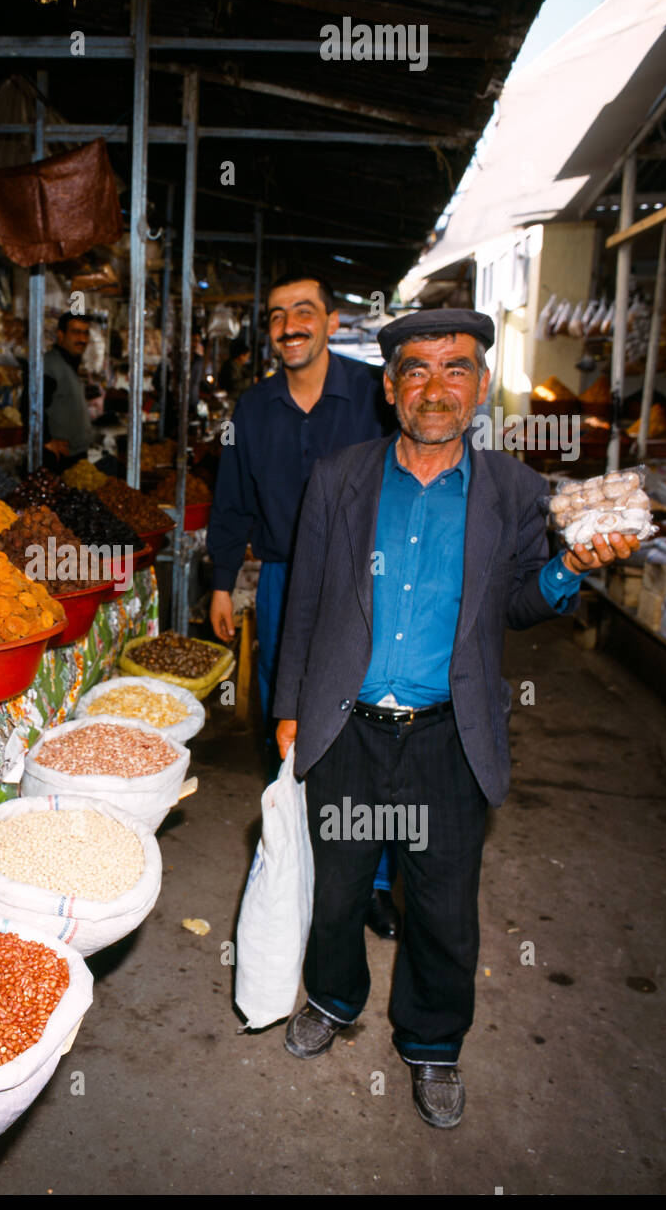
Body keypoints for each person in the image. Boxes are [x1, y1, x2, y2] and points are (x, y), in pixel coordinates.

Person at [273, 308, 639, 1128]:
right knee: (336, 890)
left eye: (456, 369)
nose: (435, 388)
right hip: (349, 728)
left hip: (447, 736)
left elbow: (514, 603)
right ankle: (332, 998)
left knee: (440, 903)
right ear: (390, 386)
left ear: (479, 385)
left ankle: (432, 1044)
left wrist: (566, 569)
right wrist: (289, 707)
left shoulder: (513, 491)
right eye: (416, 370)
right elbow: (306, 601)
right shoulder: (341, 477)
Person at [207, 272, 398, 938]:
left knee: (366, 717)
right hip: (286, 580)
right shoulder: (253, 409)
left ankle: (372, 879)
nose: (290, 325)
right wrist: (222, 580)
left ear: (330, 319)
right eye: (278, 314)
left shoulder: (375, 396)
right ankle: (293, 850)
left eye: (304, 311)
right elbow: (231, 498)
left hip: (363, 579)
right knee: (284, 721)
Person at [41, 312, 95, 464]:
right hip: (59, 459)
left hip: (75, 456)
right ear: (60, 334)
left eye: (85, 333)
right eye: (76, 332)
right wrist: (46, 441)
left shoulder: (70, 363)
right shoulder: (50, 365)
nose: (82, 339)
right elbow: (31, 405)